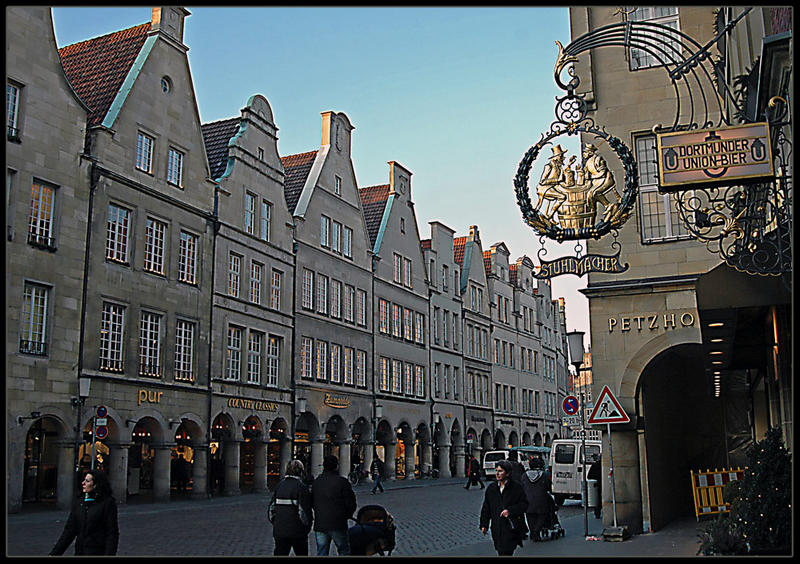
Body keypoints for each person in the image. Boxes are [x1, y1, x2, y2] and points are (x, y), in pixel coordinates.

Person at [50, 469, 119, 555]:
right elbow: (69, 532)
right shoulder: (79, 503)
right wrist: (54, 553)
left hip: (97, 552)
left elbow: (111, 533)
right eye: (84, 480)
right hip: (80, 551)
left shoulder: (107, 503)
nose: (83, 483)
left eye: (87, 481)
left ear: (96, 485)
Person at [479, 460, 529, 556]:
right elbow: (486, 508)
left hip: (511, 526)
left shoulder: (516, 488)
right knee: (500, 550)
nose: (497, 474)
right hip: (497, 526)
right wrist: (484, 524)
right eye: (496, 470)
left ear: (508, 473)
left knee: (507, 551)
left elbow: (524, 505)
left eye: (500, 471)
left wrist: (510, 511)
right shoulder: (492, 488)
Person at [311, 455, 357, 556]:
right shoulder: (342, 482)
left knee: (322, 552)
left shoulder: (316, 482)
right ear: (336, 466)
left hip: (320, 523)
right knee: (344, 551)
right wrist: (347, 515)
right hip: (338, 523)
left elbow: (312, 502)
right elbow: (351, 503)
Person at [269, 459, 313, 556]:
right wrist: (307, 527)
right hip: (297, 531)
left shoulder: (279, 485)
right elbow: (305, 512)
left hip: (280, 530)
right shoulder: (301, 487)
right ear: (301, 471)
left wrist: (276, 522)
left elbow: (271, 509)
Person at [521, 456, 555, 541]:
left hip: (527, 500)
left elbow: (521, 487)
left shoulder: (524, 475)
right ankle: (536, 530)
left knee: (530, 516)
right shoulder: (543, 475)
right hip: (541, 499)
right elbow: (548, 486)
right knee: (542, 515)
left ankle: (533, 531)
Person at [587, 453, 602, 519]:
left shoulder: (595, 465)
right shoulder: (605, 466)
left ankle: (597, 513)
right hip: (604, 484)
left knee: (597, 500)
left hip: (596, 485)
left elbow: (589, 476)